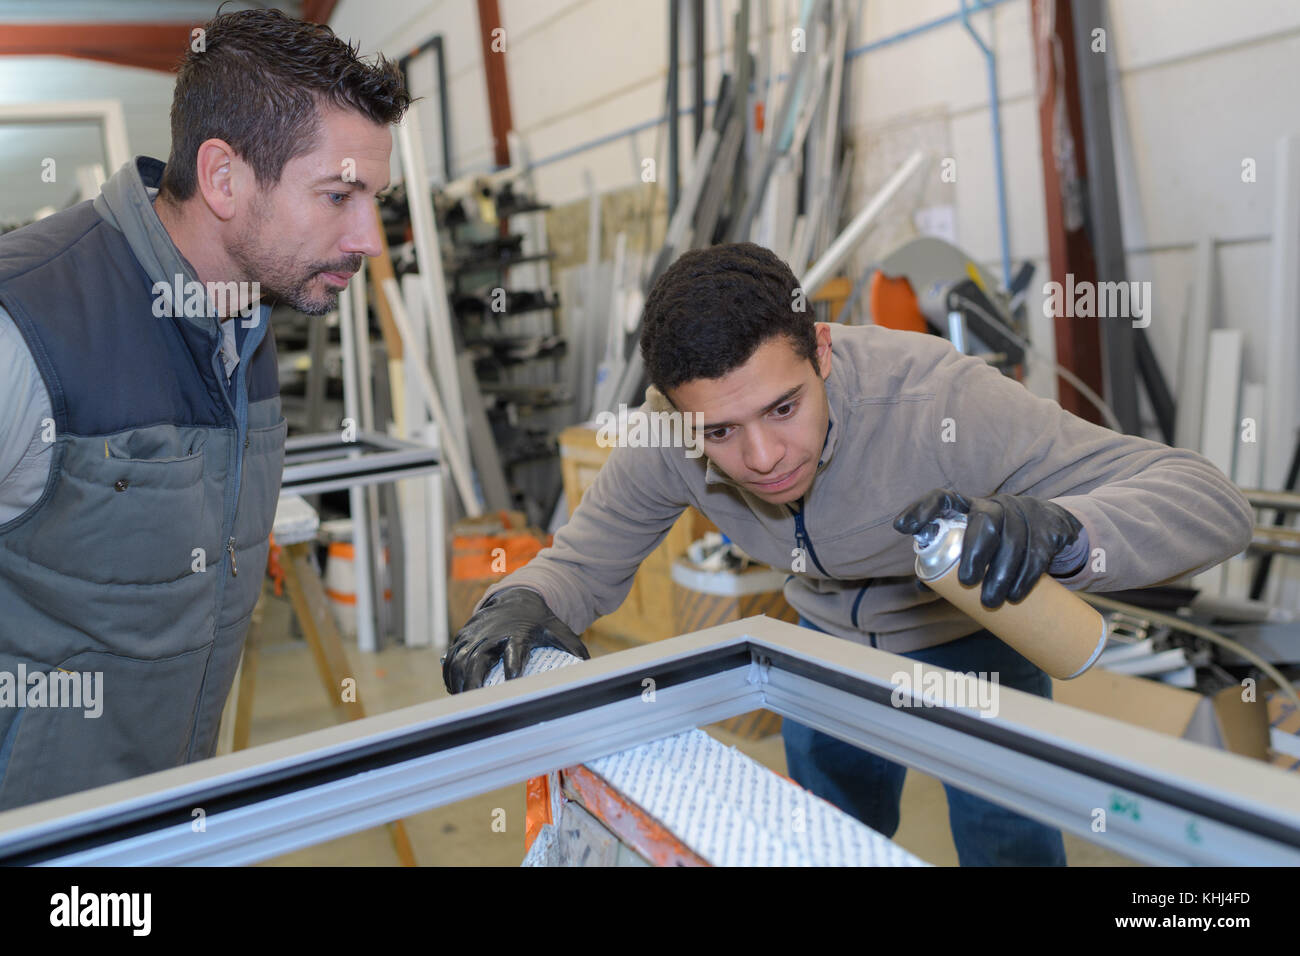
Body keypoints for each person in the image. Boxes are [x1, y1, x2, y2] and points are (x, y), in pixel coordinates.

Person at [442, 241, 1254, 866]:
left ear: (822, 350)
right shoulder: (667, 440)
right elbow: (581, 563)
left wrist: (1064, 529)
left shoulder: (939, 400)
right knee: (823, 842)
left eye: (784, 407)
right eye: (719, 431)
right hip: (822, 654)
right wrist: (523, 602)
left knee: (1009, 845)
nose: (761, 457)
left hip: (973, 643)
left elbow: (1209, 500)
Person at [0, 9, 408, 810]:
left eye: (376, 200)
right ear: (224, 179)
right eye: (338, 195)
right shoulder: (26, 320)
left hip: (165, 817)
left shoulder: (245, 325)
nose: (368, 238)